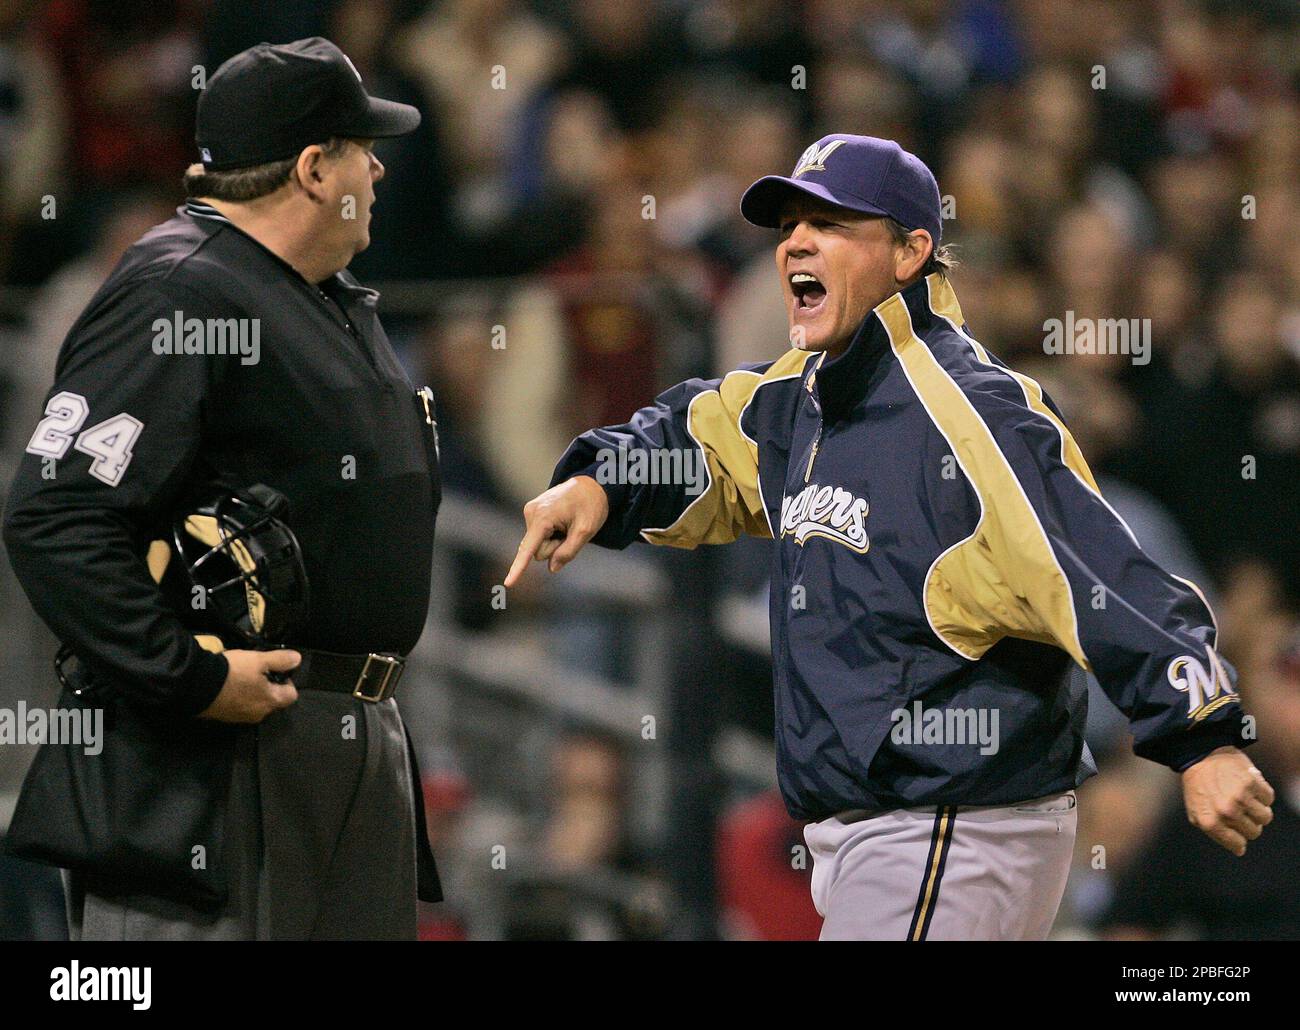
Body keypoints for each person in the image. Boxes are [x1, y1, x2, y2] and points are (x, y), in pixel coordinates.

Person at [506, 134, 1275, 940]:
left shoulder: (975, 412)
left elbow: (1097, 568)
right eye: (790, 224)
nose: (798, 241)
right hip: (890, 831)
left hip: (954, 819)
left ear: (912, 251)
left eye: (833, 223)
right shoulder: (801, 396)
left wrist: (1203, 735)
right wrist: (602, 480)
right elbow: (703, 438)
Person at [3, 37, 443, 940]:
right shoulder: (182, 291)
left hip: (343, 744)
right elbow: (55, 514)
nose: (382, 171)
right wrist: (190, 675)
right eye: (367, 150)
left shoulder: (323, 296)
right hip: (215, 762)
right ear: (316, 169)